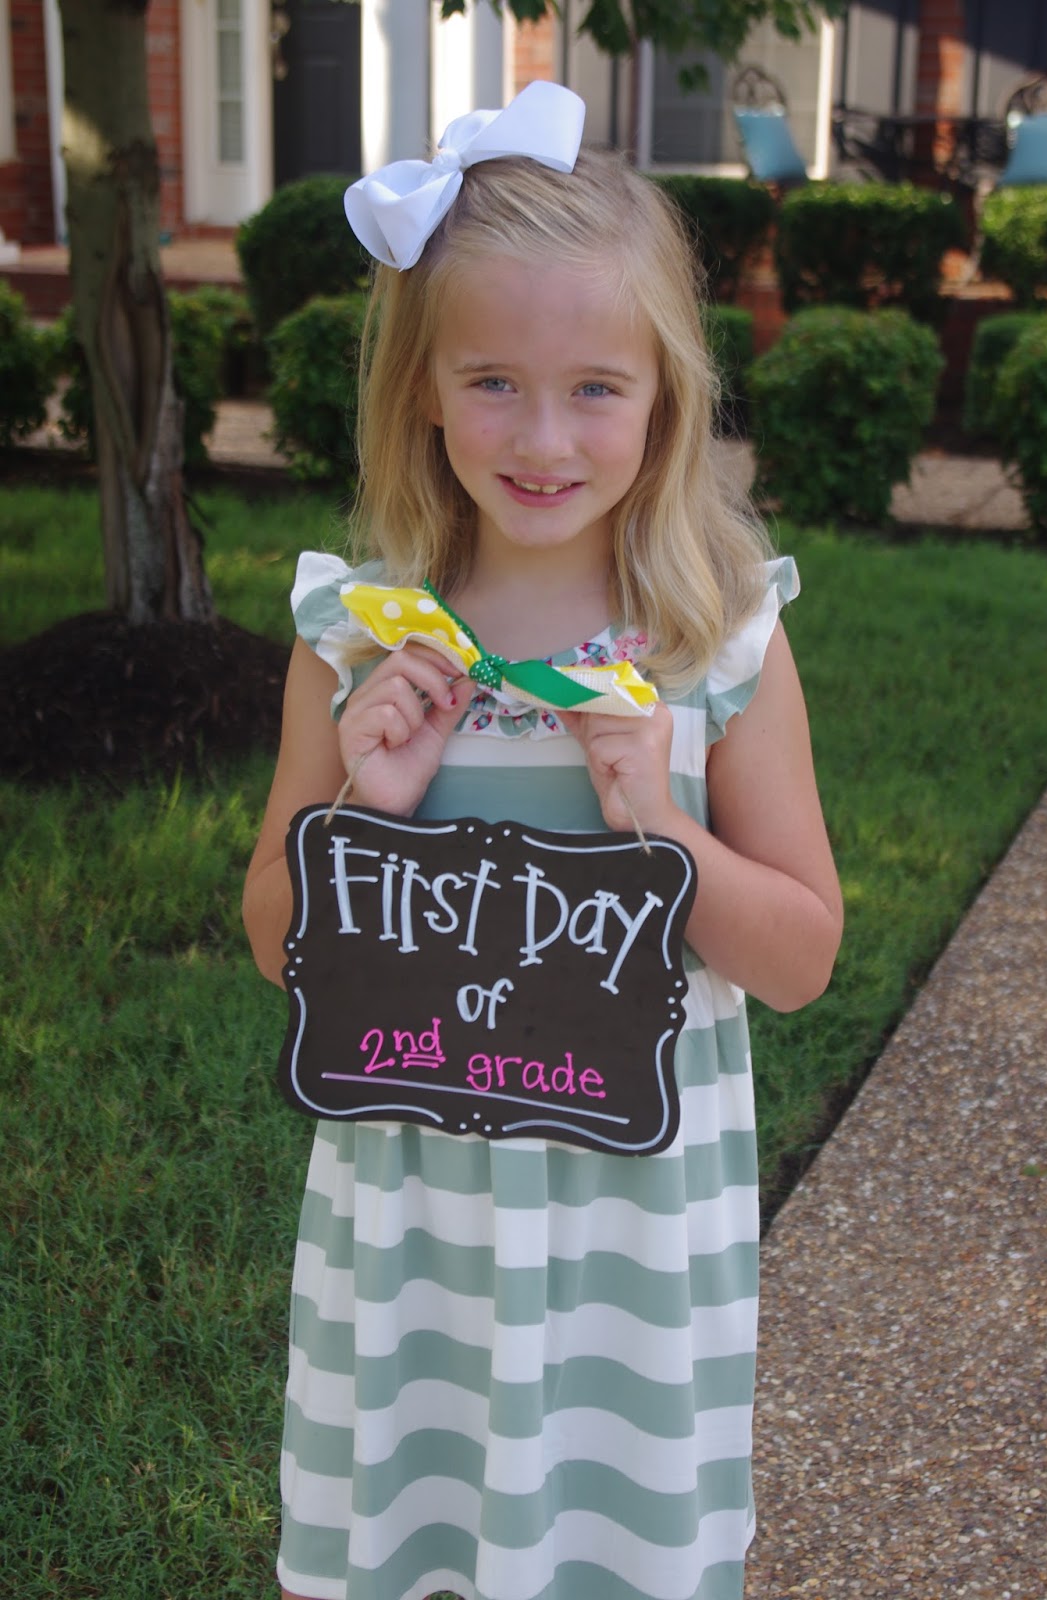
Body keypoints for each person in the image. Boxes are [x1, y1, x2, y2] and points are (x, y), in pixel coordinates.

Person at [244, 80, 842, 1600]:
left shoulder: (714, 644)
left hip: (630, 1247)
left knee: (611, 1548)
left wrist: (661, 826)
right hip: (414, 1229)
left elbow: (799, 962)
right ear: (423, 391)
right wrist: (364, 811)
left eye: (594, 388)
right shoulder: (360, 639)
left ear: (663, 400)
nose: (543, 435)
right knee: (406, 1541)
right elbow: (274, 943)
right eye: (494, 381)